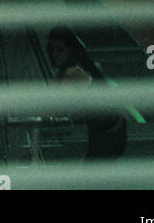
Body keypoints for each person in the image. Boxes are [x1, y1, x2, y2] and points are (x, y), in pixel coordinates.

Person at [47, 25, 128, 160]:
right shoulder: (75, 68)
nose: (54, 54)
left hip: (109, 131)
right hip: (104, 128)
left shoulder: (74, 71)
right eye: (51, 49)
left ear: (70, 49)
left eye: (60, 50)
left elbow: (56, 107)